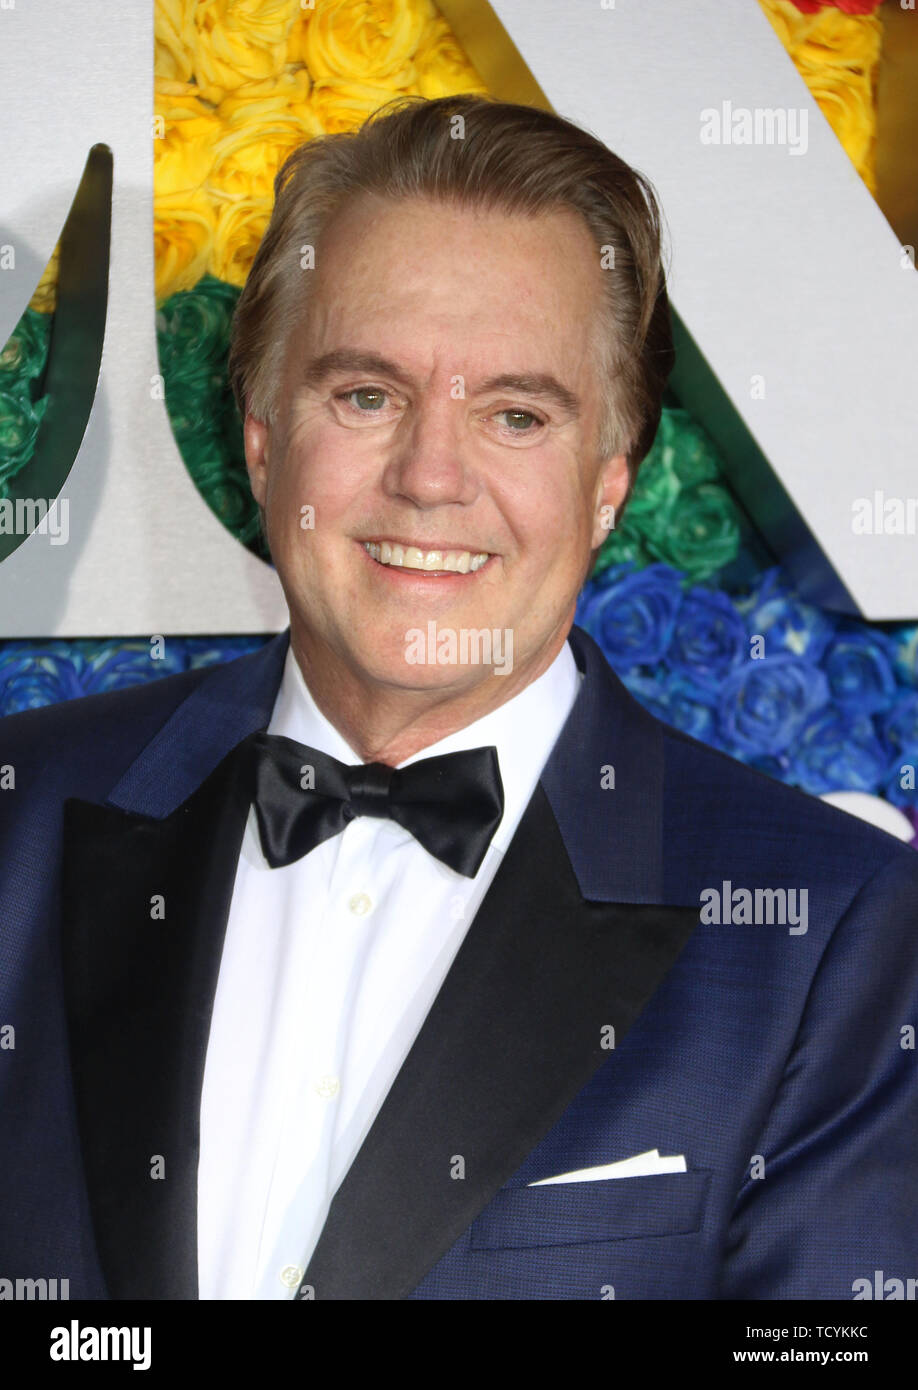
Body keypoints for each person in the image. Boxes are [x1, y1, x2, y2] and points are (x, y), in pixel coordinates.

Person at [1, 94, 916, 1302]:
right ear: (265, 439)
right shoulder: (21, 818)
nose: (431, 478)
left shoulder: (831, 934)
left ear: (608, 483)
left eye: (516, 415)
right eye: (366, 395)